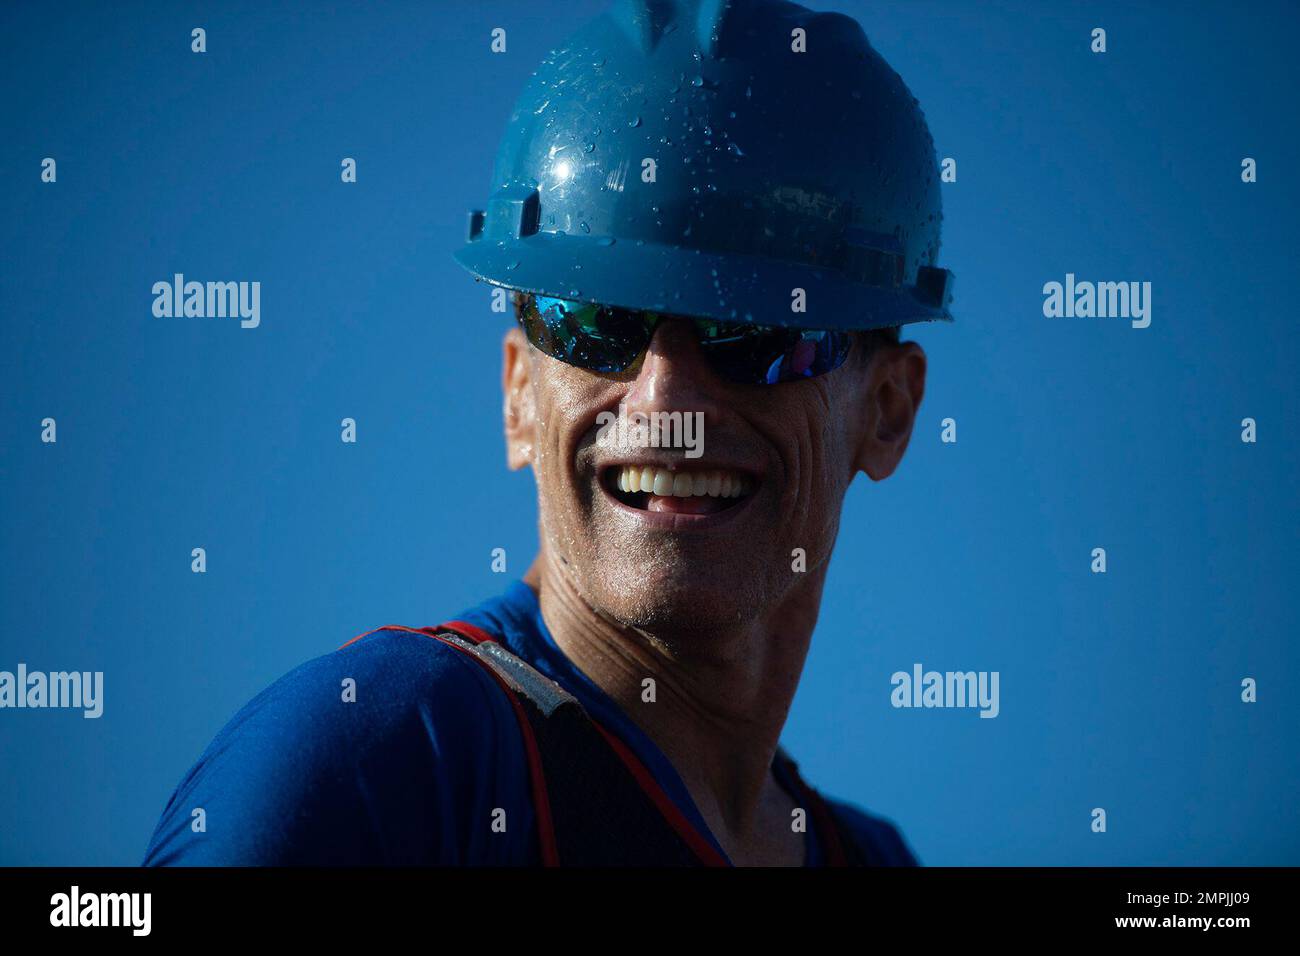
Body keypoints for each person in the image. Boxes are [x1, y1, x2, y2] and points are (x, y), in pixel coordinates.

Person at [144, 0, 954, 867]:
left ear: (889, 412)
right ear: (520, 394)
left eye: (754, 330)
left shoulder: (870, 860)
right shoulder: (381, 765)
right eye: (595, 321)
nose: (664, 397)